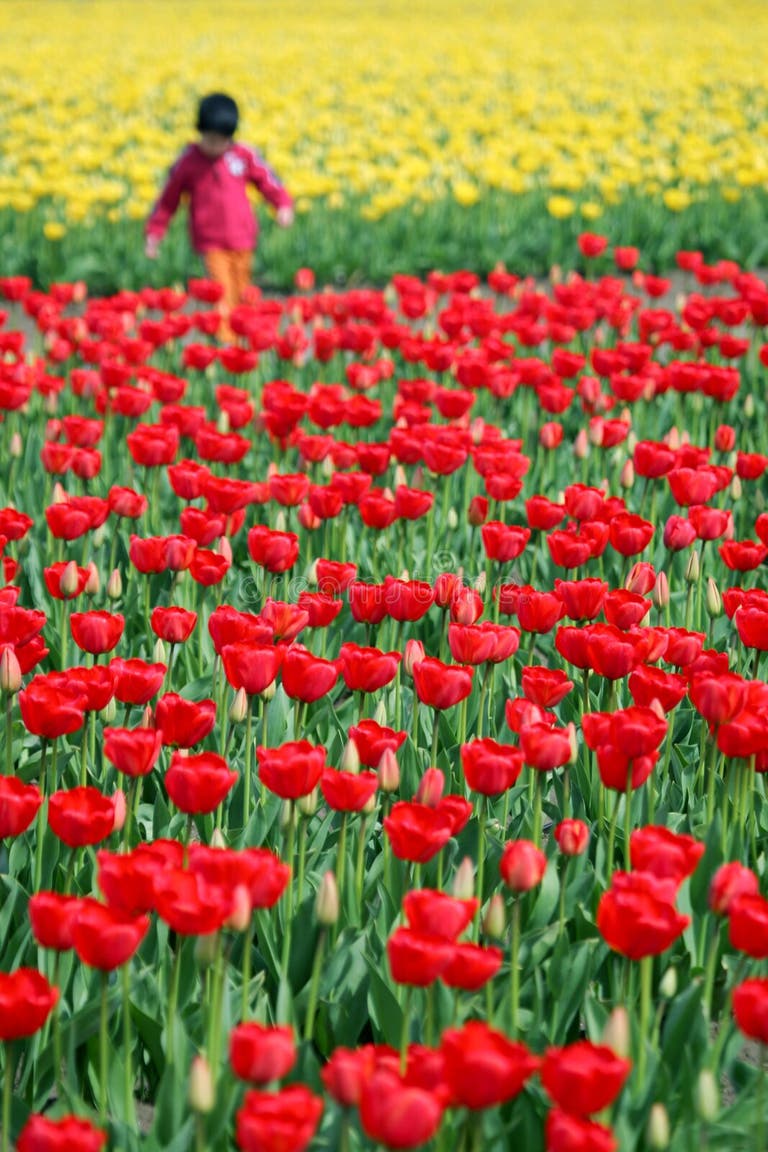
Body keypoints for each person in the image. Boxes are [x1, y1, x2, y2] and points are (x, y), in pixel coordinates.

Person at [145, 92, 294, 340]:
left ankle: (247, 337)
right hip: (210, 241)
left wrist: (282, 205)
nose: (214, 147)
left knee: (243, 291)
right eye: (209, 139)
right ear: (199, 132)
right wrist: (154, 233)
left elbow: (268, 181)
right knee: (222, 292)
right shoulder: (188, 162)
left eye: (221, 141)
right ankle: (228, 342)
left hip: (243, 237)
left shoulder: (242, 156)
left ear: (231, 137)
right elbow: (167, 200)